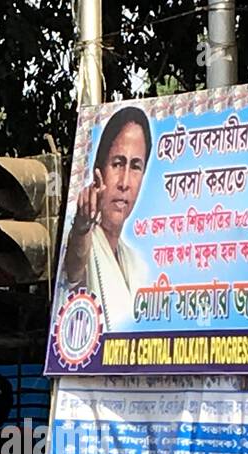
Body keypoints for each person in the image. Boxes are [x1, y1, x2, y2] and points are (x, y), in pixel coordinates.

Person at [58, 106, 152, 330]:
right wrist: (81, 227)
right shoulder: (84, 238)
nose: (124, 182)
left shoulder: (136, 263)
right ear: (98, 171)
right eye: (117, 164)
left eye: (136, 166)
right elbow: (74, 267)